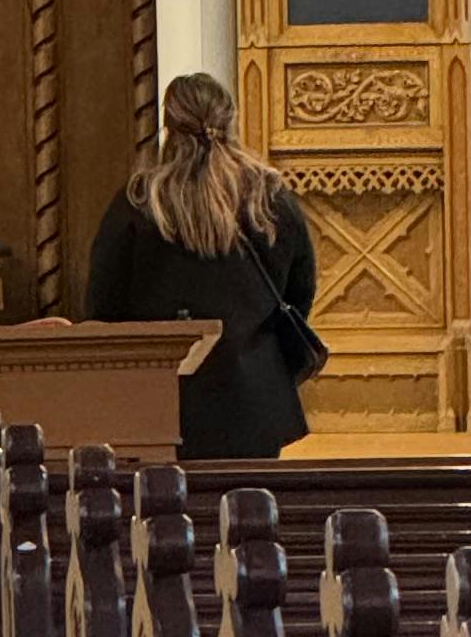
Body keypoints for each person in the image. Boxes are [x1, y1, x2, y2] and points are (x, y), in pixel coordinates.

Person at [84, 70, 322, 459]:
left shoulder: (138, 203)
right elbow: (300, 290)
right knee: (250, 511)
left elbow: (103, 304)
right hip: (252, 397)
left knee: (167, 511)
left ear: (168, 127)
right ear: (231, 122)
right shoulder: (270, 199)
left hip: (160, 397)